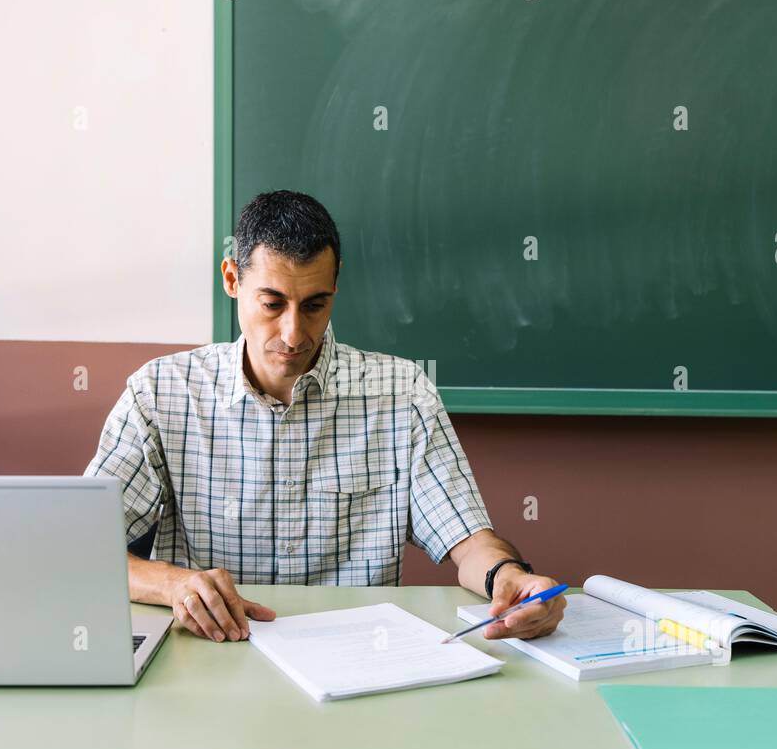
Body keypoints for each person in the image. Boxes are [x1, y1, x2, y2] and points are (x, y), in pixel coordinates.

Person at [85, 190, 566, 642]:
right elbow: (80, 546)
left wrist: (510, 578)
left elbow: (468, 541)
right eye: (273, 304)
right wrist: (172, 584)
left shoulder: (401, 393)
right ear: (232, 280)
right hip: (214, 657)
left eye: (315, 305)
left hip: (358, 660)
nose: (294, 334)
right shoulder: (161, 392)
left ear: (335, 289)